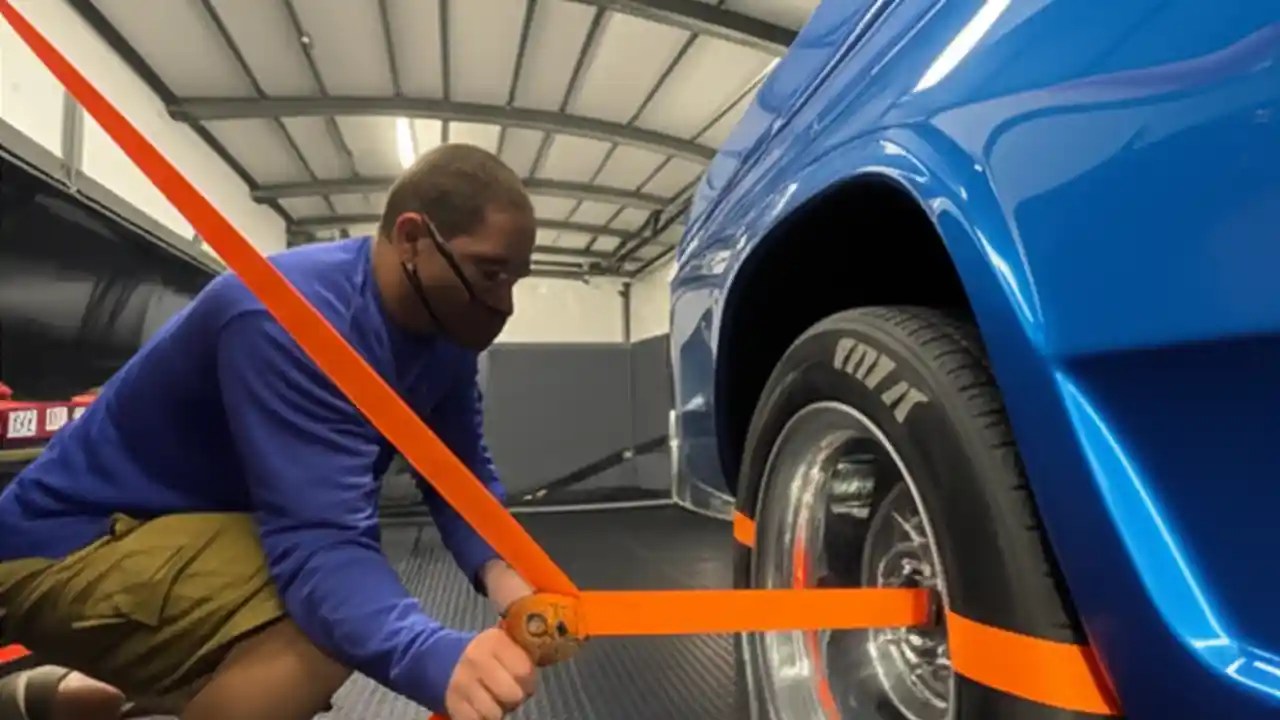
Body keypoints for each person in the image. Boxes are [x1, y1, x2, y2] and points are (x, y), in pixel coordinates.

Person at [0, 143, 541, 720]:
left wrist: (512, 576)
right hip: (63, 547)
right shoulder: (290, 319)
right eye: (490, 272)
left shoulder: (441, 336)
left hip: (179, 533)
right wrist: (432, 657)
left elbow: (457, 475)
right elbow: (321, 546)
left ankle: (51, 699)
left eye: (515, 278)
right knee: (321, 630)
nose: (503, 302)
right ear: (411, 239)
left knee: (320, 625)